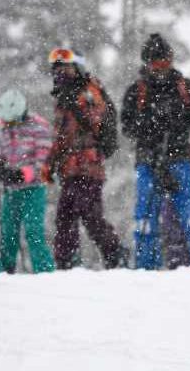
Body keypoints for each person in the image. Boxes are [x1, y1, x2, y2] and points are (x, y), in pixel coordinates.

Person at [121, 33, 190, 270]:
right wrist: (150, 125)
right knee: (145, 219)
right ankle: (145, 269)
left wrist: (177, 120)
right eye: (155, 62)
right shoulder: (136, 91)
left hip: (180, 158)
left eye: (165, 61)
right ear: (147, 63)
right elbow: (127, 127)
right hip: (148, 162)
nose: (161, 67)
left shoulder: (185, 87)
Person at [43, 48, 128, 270]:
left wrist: (77, 105)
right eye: (58, 69)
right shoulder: (63, 98)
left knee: (91, 217)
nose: (61, 73)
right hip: (69, 169)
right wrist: (50, 163)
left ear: (77, 68)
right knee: (64, 218)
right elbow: (62, 136)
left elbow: (96, 123)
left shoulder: (90, 90)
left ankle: (115, 254)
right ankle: (66, 262)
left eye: (66, 68)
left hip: (88, 167)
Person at [0, 89, 55, 274]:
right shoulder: (1, 128)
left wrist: (22, 174)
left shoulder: (39, 128)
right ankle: (4, 271)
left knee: (33, 231)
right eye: (6, 121)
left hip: (33, 190)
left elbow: (44, 164)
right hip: (11, 191)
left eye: (12, 121)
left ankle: (44, 272)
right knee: (8, 234)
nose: (9, 125)